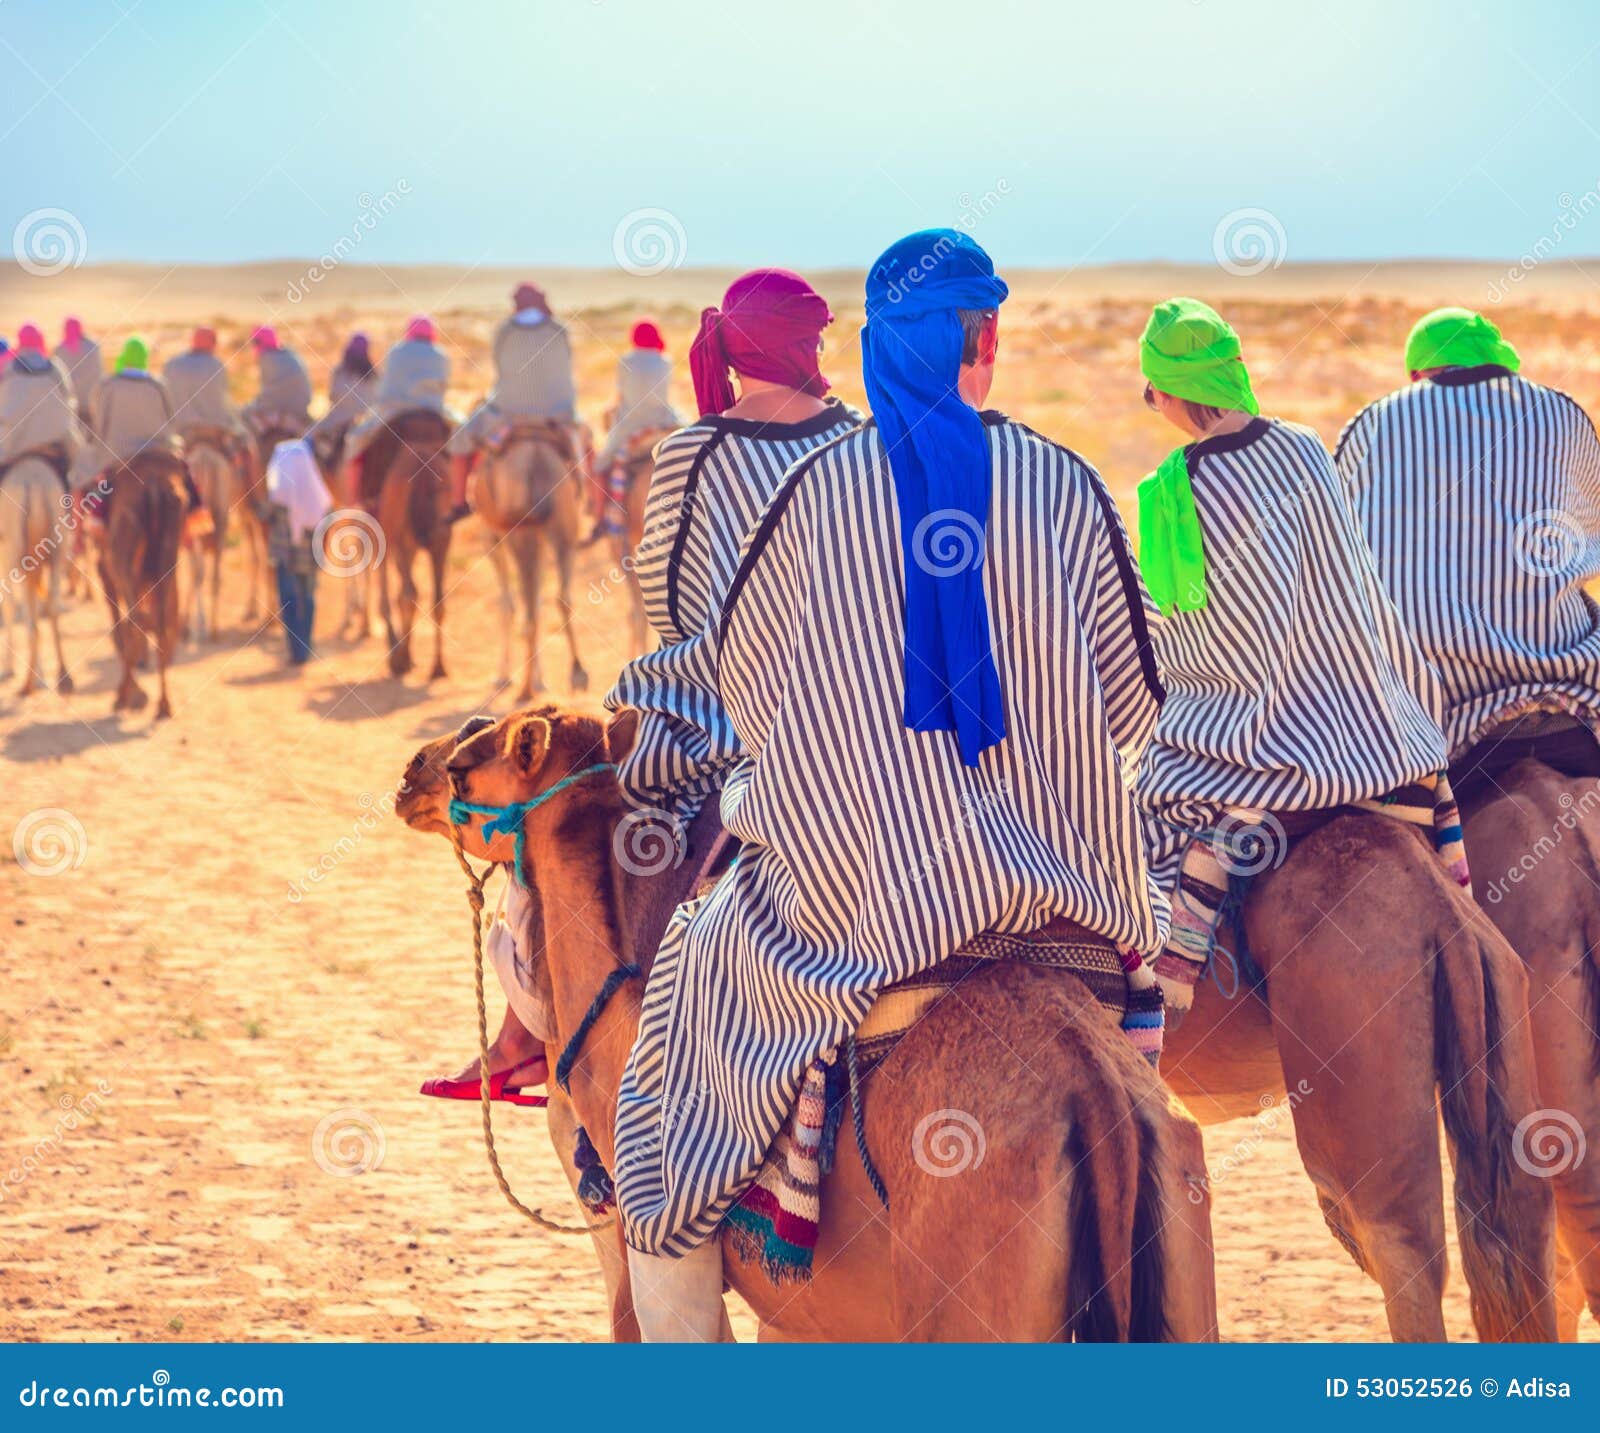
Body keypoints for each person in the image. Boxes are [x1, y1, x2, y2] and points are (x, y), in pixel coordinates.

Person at [606, 230, 1169, 1340]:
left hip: (855, 913)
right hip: (1065, 907)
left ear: (873, 350)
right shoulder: (1066, 482)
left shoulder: (810, 494)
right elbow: (1139, 694)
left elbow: (747, 689)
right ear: (987, 338)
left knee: (676, 1024)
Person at [1131, 298, 1456, 1023]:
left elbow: (1180, 640)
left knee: (1136, 828)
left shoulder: (1170, 493)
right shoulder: (1308, 447)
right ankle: (1456, 872)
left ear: (1172, 392)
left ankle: (1166, 988)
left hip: (1255, 750)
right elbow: (1354, 586)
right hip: (1369, 731)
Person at [1334, 307, 1600, 782]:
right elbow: (1589, 536)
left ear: (1416, 374)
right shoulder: (1561, 412)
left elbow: (1341, 559)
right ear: (1500, 363)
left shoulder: (1372, 422)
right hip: (1566, 691)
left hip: (1433, 711)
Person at [446, 282, 580, 523]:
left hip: (508, 412)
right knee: (585, 441)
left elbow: (499, 367)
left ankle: (459, 502)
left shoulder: (504, 330)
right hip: (558, 413)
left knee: (460, 438)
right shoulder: (559, 329)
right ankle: (586, 496)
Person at [72, 337, 208, 538]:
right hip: (159, 450)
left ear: (123, 358)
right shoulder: (158, 384)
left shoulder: (106, 385)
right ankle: (194, 517)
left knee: (89, 480)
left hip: (118, 454)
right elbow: (172, 421)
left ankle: (89, 527)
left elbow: (99, 425)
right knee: (186, 475)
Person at [339, 316, 452, 503]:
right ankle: (461, 496)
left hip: (395, 412)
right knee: (465, 441)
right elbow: (443, 386)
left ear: (409, 333)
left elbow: (385, 388)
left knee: (355, 442)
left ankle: (355, 500)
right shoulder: (441, 354)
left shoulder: (396, 351)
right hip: (435, 412)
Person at [589, 319, 681, 539]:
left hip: (632, 427)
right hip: (665, 423)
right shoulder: (665, 361)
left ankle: (601, 519)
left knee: (599, 467)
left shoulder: (625, 361)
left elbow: (622, 398)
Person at [261, 437, 333, 665]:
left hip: (285, 557)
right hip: (309, 558)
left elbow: (264, 516)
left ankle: (295, 650)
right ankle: (306, 645)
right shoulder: (319, 495)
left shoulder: (278, 493)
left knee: (288, 599)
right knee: (308, 597)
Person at [0, 324, 84, 483]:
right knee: (81, 472)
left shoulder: (10, 369)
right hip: (53, 437)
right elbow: (70, 402)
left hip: (14, 442)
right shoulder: (55, 367)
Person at [162, 326, 251, 466]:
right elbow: (224, 403)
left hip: (180, 432)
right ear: (213, 343)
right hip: (214, 432)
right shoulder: (217, 365)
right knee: (247, 452)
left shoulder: (172, 364)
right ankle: (258, 487)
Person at [307, 332, 378, 472]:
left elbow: (333, 396)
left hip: (338, 421)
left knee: (307, 441)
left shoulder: (340, 371)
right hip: (365, 423)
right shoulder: (373, 375)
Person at [241, 326, 313, 438]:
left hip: (285, 412)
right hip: (301, 409)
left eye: (255, 341)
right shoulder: (289, 353)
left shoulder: (268, 358)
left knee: (244, 416)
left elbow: (269, 397)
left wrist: (250, 407)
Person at [55, 316, 103, 425]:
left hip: (69, 406)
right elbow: (100, 374)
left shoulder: (60, 349)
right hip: (92, 403)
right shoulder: (93, 347)